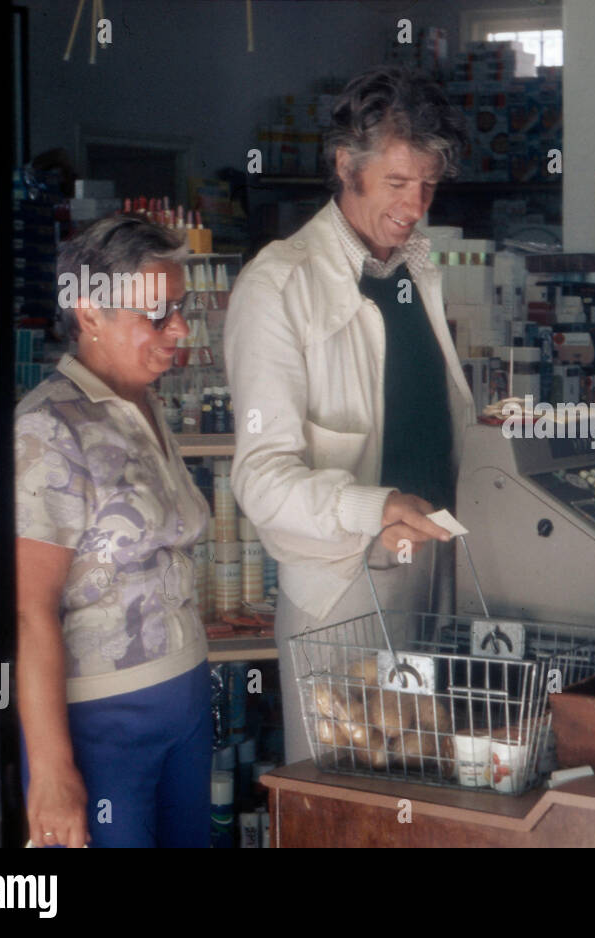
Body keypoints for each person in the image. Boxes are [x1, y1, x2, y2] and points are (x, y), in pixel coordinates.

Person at [225, 66, 476, 765]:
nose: (415, 205)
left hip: (435, 569)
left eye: (427, 185)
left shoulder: (418, 268)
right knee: (344, 806)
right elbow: (262, 478)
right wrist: (377, 503)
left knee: (426, 791)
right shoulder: (279, 284)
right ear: (345, 165)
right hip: (343, 589)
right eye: (398, 184)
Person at [15, 216, 210, 847]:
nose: (178, 329)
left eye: (180, 309)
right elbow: (30, 613)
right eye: (157, 314)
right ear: (89, 314)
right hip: (105, 716)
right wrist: (50, 770)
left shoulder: (144, 402)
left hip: (183, 699)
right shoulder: (48, 427)